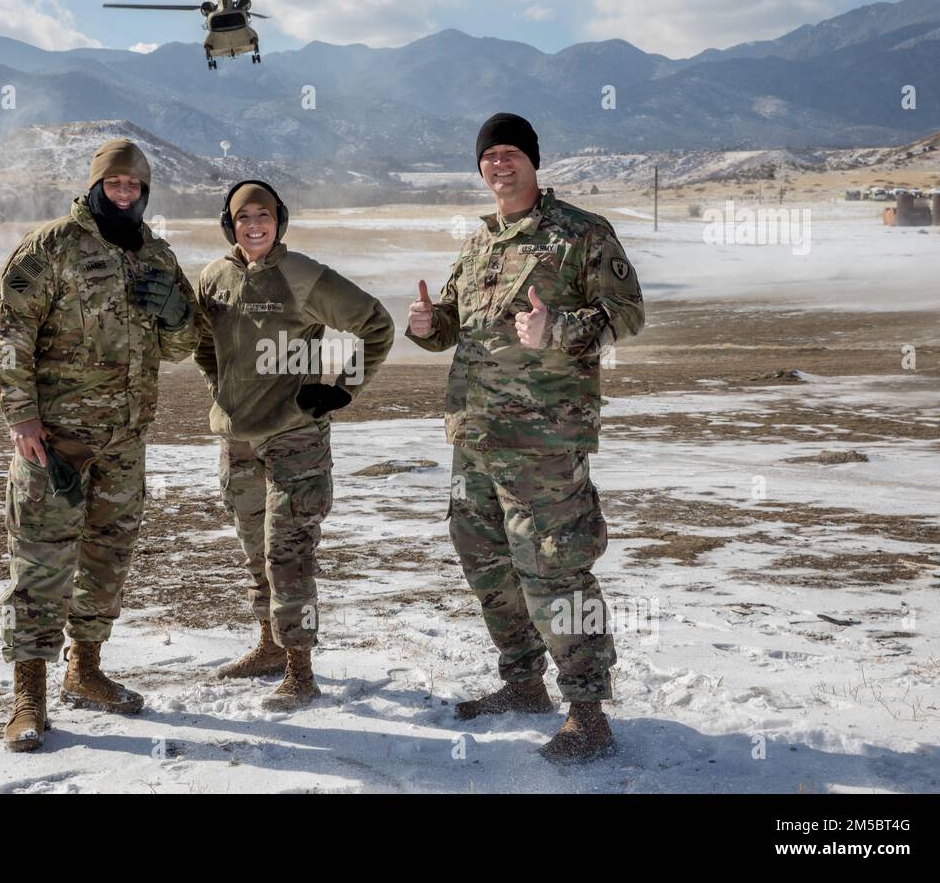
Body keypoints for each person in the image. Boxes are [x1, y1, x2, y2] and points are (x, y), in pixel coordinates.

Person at [407, 112, 645, 763]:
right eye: (490, 156)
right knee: (482, 555)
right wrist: (428, 323)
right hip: (477, 432)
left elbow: (629, 313)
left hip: (545, 439)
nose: (499, 164)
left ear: (534, 162)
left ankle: (588, 710)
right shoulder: (482, 241)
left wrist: (559, 330)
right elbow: (452, 325)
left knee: (554, 565)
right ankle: (522, 683)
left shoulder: (581, 234)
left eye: (511, 153)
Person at [0, 138, 197, 751]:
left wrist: (177, 311)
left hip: (125, 442)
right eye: (115, 184)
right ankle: (29, 698)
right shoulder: (52, 246)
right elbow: (8, 333)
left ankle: (87, 670)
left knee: (107, 559)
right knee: (41, 564)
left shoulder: (154, 253)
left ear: (145, 192)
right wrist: (21, 418)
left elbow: (182, 348)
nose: (124, 193)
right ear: (96, 185)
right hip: (55, 443)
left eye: (134, 186)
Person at [194, 180, 394, 710]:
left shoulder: (302, 275)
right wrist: (221, 388)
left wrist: (339, 388)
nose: (253, 225)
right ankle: (267, 647)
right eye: (242, 217)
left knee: (290, 558)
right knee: (256, 554)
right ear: (228, 225)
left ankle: (300, 671)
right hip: (237, 443)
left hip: (294, 440)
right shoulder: (214, 277)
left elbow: (376, 324)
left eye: (264, 215)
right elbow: (201, 342)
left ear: (279, 221)